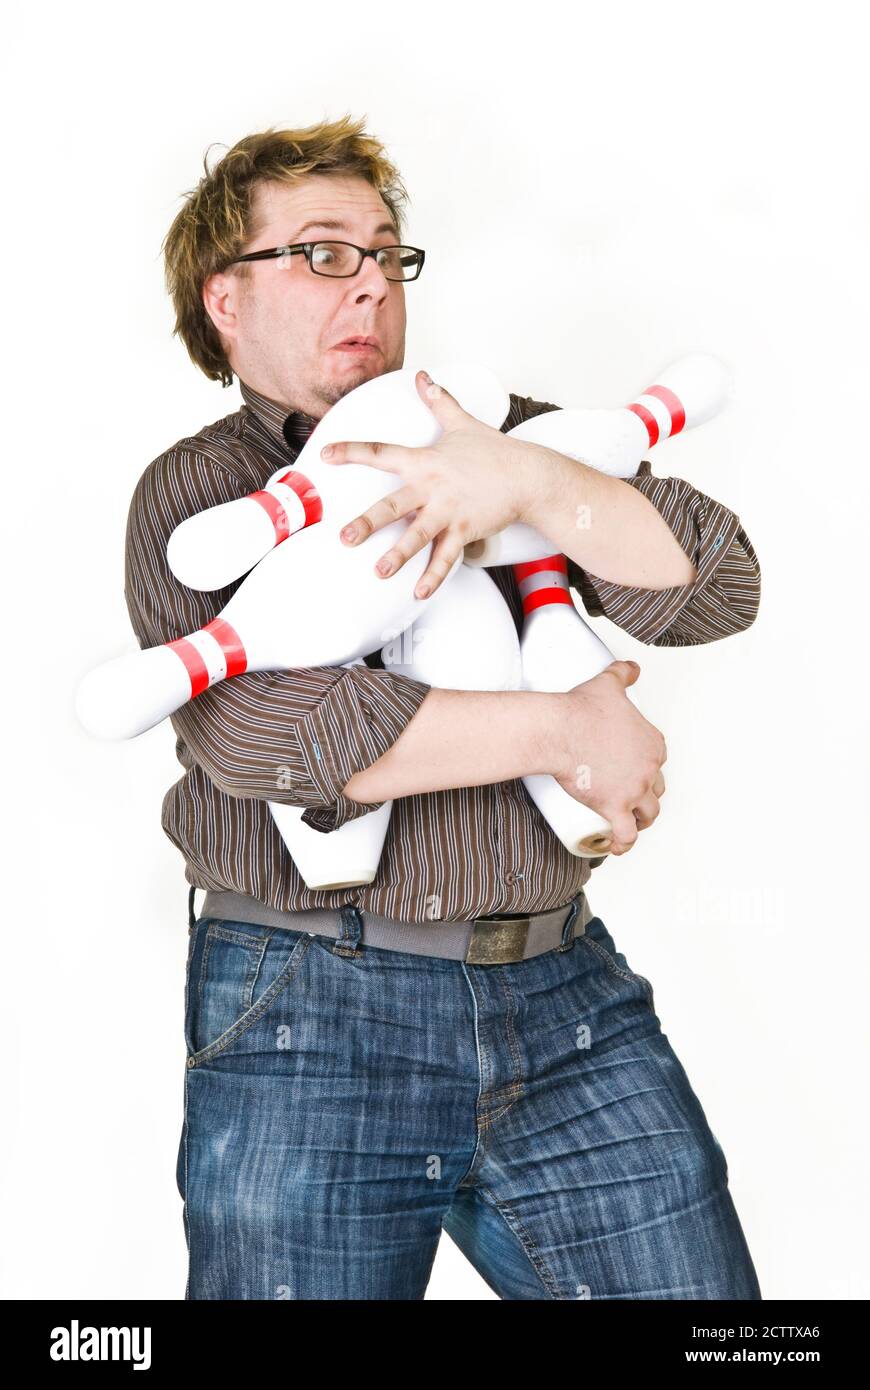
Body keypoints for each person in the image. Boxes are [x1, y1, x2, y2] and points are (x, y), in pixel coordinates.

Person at [125, 114, 762, 1299]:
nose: (368, 282)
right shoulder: (200, 491)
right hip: (305, 1014)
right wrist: (570, 728)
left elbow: (714, 586)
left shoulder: (496, 427)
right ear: (226, 299)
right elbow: (270, 731)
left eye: (385, 252)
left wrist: (523, 478)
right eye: (322, 253)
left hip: (570, 1005)